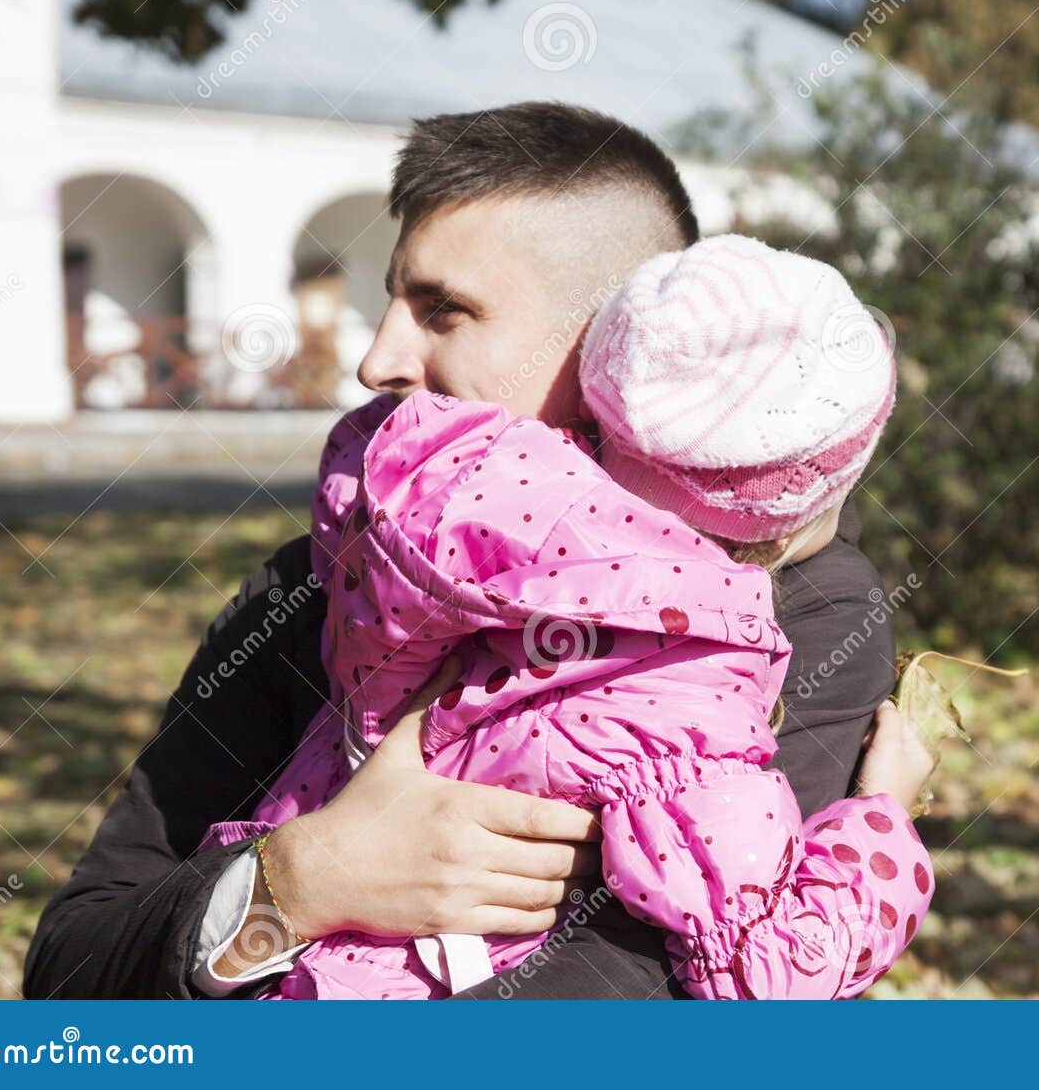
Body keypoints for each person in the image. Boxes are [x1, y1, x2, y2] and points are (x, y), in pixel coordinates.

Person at [23, 103, 933, 1000]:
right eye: (392, 297)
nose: (376, 358)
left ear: (614, 355)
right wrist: (295, 883)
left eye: (444, 310)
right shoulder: (310, 586)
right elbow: (73, 967)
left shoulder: (771, 622)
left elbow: (646, 999)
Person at [198, 235, 932, 999]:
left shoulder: (446, 509)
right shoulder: (690, 671)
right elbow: (764, 975)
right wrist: (882, 821)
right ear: (783, 521)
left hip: (274, 956)